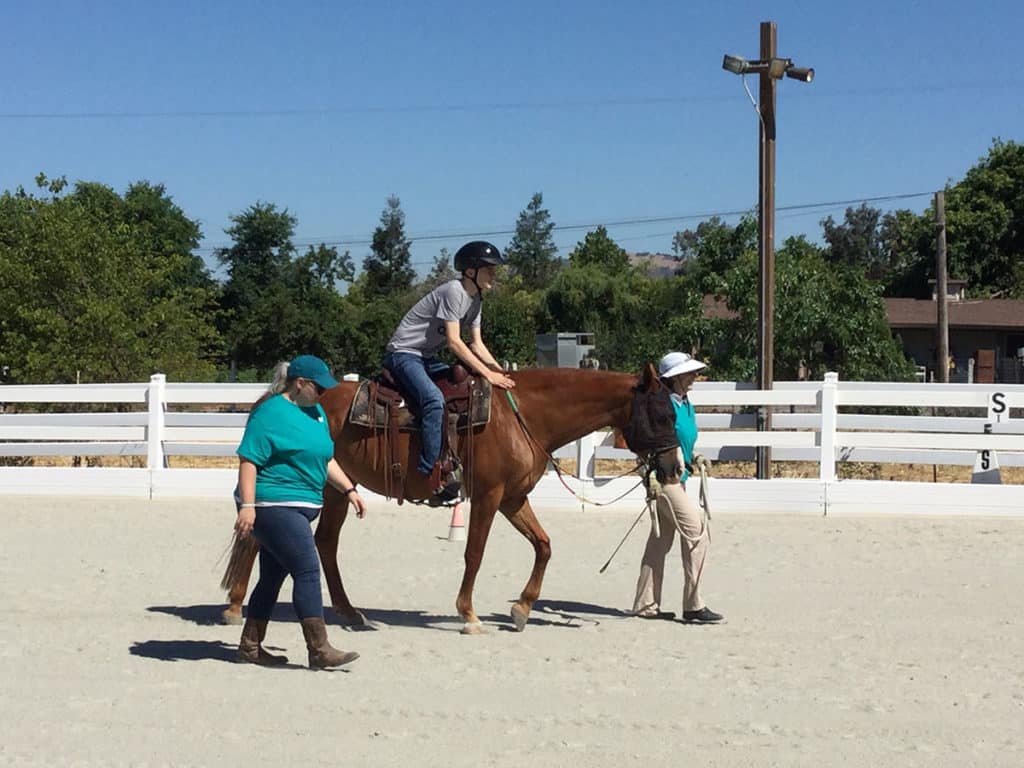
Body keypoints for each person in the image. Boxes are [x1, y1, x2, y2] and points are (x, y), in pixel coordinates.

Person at [234, 354, 368, 668]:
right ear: (300, 383)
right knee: (307, 571)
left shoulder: (315, 412)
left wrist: (349, 490)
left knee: (271, 576)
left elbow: (326, 458)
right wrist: (248, 506)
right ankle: (319, 649)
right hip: (274, 505)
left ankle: (250, 646)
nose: (323, 393)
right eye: (318, 388)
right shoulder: (270, 413)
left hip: (297, 506)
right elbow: (249, 459)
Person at [382, 240, 516, 502]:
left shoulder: (476, 299)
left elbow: (477, 344)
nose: (493, 274)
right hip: (404, 354)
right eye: (489, 269)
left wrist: (499, 372)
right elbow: (455, 342)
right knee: (434, 400)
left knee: (465, 385)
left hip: (425, 357)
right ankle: (429, 472)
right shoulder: (454, 292)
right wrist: (489, 374)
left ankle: (456, 458)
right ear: (470, 271)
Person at [631, 351, 724, 624]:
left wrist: (694, 456)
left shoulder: (685, 404)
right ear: (675, 377)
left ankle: (645, 604)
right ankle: (693, 604)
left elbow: (678, 442)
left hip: (678, 479)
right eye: (688, 373)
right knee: (697, 533)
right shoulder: (662, 405)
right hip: (664, 479)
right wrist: (646, 471)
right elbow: (648, 441)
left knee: (660, 542)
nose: (694, 376)